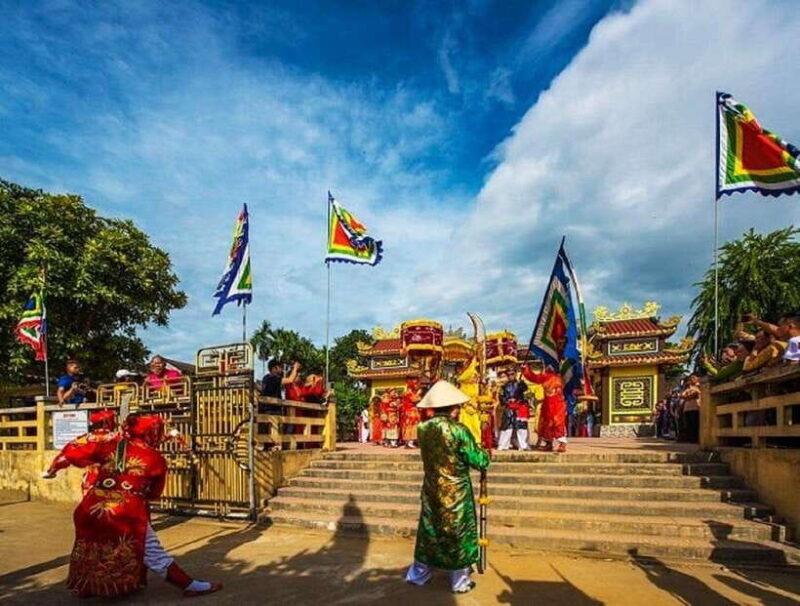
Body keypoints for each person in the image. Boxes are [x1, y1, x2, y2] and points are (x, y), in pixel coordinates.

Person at [50, 413, 221, 598]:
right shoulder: (155, 458)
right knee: (152, 551)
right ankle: (189, 585)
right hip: (125, 512)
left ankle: (88, 587)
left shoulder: (110, 443)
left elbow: (74, 451)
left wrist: (53, 468)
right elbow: (154, 494)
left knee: (92, 547)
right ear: (152, 433)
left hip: (90, 506)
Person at [405, 380, 490, 595]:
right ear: (453, 408)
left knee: (429, 530)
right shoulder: (458, 430)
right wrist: (485, 452)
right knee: (458, 532)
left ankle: (418, 574)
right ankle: (459, 581)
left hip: (432, 487)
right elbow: (479, 460)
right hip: (456, 490)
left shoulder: (423, 428)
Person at [522, 362, 568, 453]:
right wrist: (525, 370)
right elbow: (534, 378)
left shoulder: (560, 378)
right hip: (547, 404)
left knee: (557, 423)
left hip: (557, 405)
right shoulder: (545, 377)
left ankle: (562, 443)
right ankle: (548, 443)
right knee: (546, 424)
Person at [497, 369, 530, 451]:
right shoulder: (504, 386)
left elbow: (527, 394)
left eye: (512, 374)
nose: (510, 376)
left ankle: (522, 445)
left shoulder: (520, 384)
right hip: (509, 408)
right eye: (509, 374)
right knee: (507, 427)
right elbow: (501, 397)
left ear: (515, 374)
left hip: (519, 408)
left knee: (521, 427)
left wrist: (522, 385)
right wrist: (507, 400)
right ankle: (503, 445)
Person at [401, 379, 423, 448]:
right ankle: (409, 442)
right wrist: (418, 393)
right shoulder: (408, 393)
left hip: (411, 411)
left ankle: (412, 442)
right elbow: (414, 399)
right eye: (415, 384)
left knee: (413, 426)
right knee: (411, 427)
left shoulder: (409, 392)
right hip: (410, 412)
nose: (416, 386)